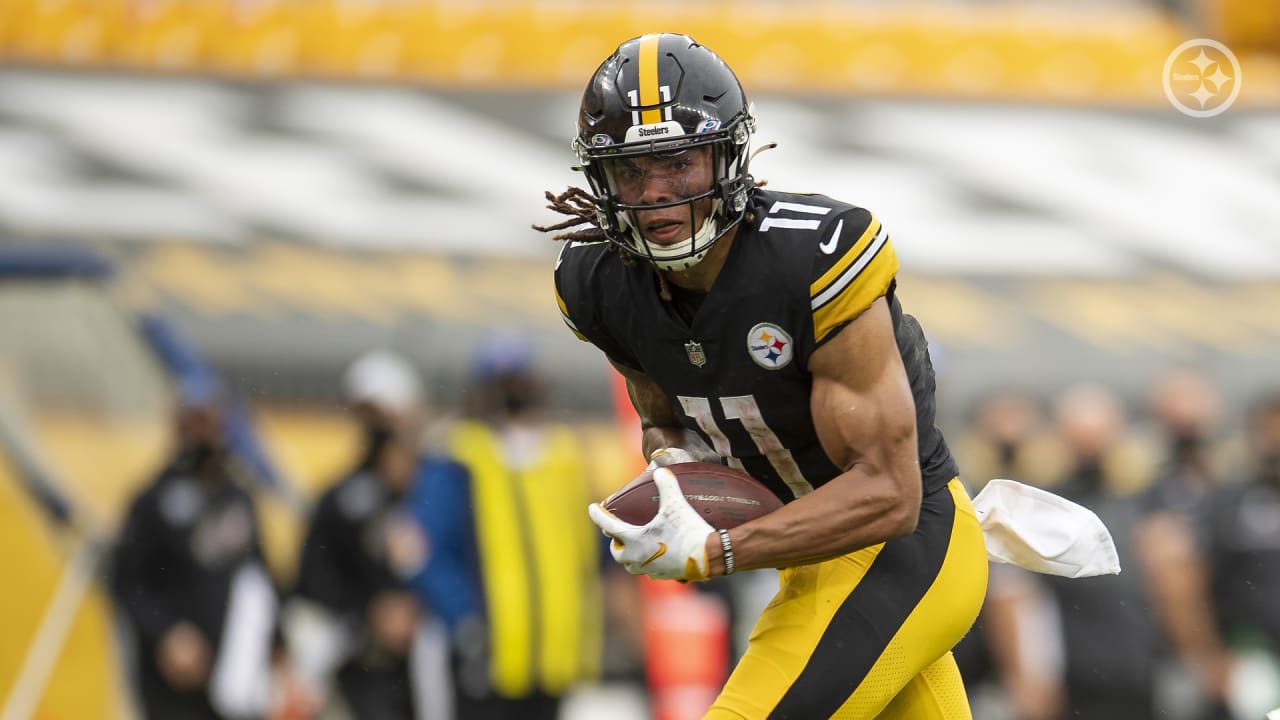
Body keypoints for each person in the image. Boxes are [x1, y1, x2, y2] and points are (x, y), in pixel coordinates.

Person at [536, 33, 987, 719]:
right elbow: (664, 417)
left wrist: (717, 547)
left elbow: (891, 493)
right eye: (632, 172)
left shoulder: (813, 256)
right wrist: (675, 478)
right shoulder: (596, 283)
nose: (656, 196)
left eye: (678, 163)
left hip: (907, 549)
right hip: (810, 566)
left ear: (727, 156)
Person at [404, 334, 607, 720]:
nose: (513, 394)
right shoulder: (456, 452)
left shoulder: (565, 453)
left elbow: (592, 549)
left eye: (520, 382)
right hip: (485, 655)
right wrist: (463, 618)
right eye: (503, 384)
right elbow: (426, 547)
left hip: (552, 655)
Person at [284, 350, 441, 720]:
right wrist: (369, 613)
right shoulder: (340, 500)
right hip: (363, 666)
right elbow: (312, 583)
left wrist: (421, 607)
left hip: (434, 661)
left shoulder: (441, 489)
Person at [112, 380, 276, 720]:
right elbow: (128, 581)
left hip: (233, 676)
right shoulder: (152, 501)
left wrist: (278, 647)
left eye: (212, 421)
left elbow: (257, 579)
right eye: (197, 420)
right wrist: (167, 634)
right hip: (173, 679)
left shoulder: (237, 500)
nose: (206, 433)